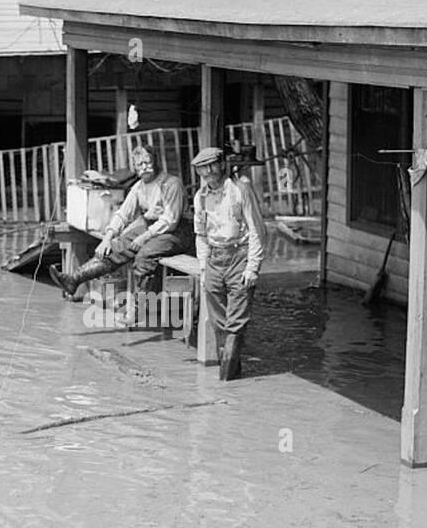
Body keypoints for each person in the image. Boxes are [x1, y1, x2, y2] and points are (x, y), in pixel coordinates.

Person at [49, 146, 194, 309]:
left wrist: (143, 237)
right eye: (140, 164)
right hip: (153, 227)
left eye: (148, 162)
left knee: (144, 256)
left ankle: (141, 308)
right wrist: (107, 238)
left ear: (156, 162)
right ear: (135, 168)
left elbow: (170, 219)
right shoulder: (139, 187)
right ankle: (73, 279)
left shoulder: (171, 183)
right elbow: (123, 214)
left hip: (177, 231)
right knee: (115, 247)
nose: (144, 167)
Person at [192, 146, 266, 380]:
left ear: (223, 165)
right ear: (199, 171)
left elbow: (257, 231)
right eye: (204, 167)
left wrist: (252, 267)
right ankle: (233, 380)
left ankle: (225, 382)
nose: (209, 171)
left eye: (213, 165)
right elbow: (201, 235)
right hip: (214, 259)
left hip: (239, 257)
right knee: (218, 323)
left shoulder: (240, 190)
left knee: (236, 322)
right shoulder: (200, 197)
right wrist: (204, 269)